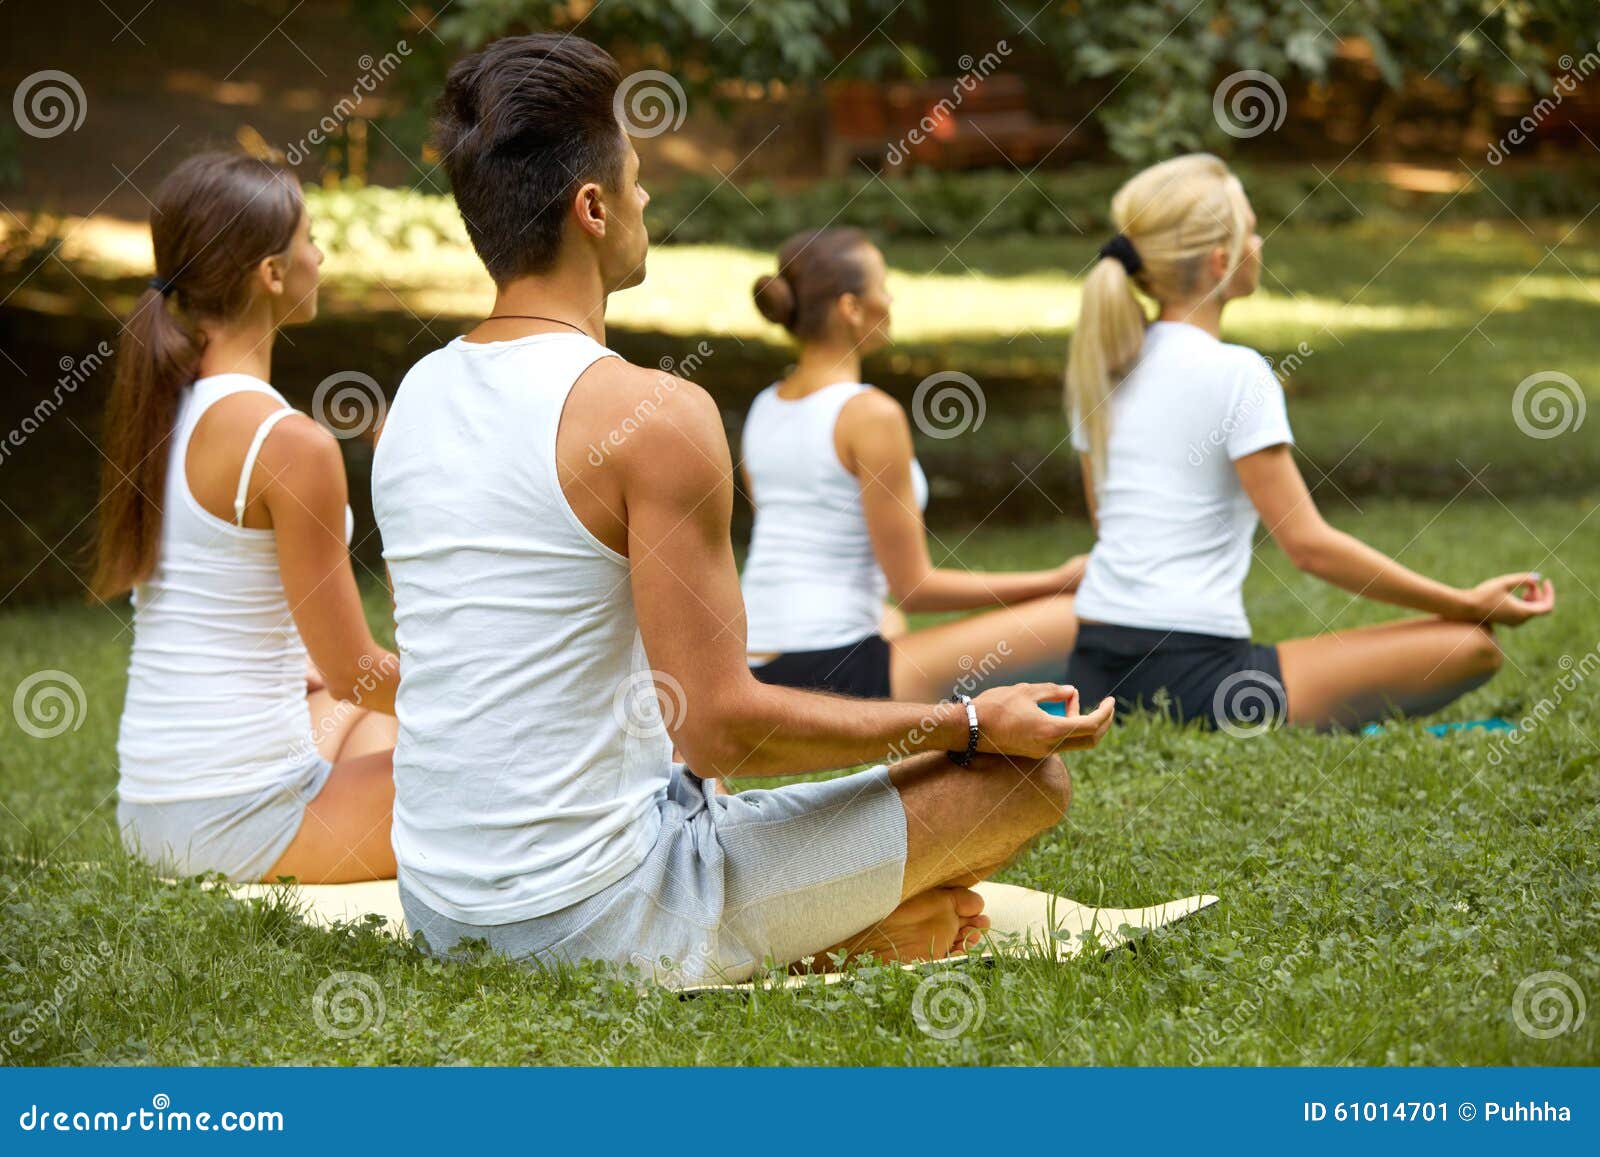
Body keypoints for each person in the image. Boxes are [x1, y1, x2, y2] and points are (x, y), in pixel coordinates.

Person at [373, 34, 1114, 987]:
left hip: (439, 904)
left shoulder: (411, 402)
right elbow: (722, 728)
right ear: (591, 209)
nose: (648, 200)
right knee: (1022, 782)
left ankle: (829, 921)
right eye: (635, 181)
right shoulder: (657, 415)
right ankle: (826, 934)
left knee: (705, 787)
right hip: (597, 912)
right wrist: (967, 725)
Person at [1062, 153, 1555, 732]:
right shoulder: (1238, 373)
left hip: (1094, 667)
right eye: (1251, 228)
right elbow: (1309, 547)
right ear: (1222, 261)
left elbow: (1107, 527)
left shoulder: (1102, 370)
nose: (1261, 241)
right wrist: (1465, 603)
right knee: (1472, 645)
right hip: (1201, 681)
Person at [95, 151, 399, 883]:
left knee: (375, 721)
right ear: (270, 272)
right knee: (503, 765)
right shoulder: (289, 443)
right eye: (309, 238)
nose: (319, 257)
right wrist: (494, 699)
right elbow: (357, 670)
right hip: (240, 818)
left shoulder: (163, 408)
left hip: (153, 807)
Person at [740, 228, 1085, 703]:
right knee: (1079, 610)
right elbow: (916, 589)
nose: (891, 298)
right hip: (833, 668)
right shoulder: (869, 415)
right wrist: (1053, 580)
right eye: (882, 286)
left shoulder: (764, 407)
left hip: (754, 663)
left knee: (888, 618)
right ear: (851, 309)